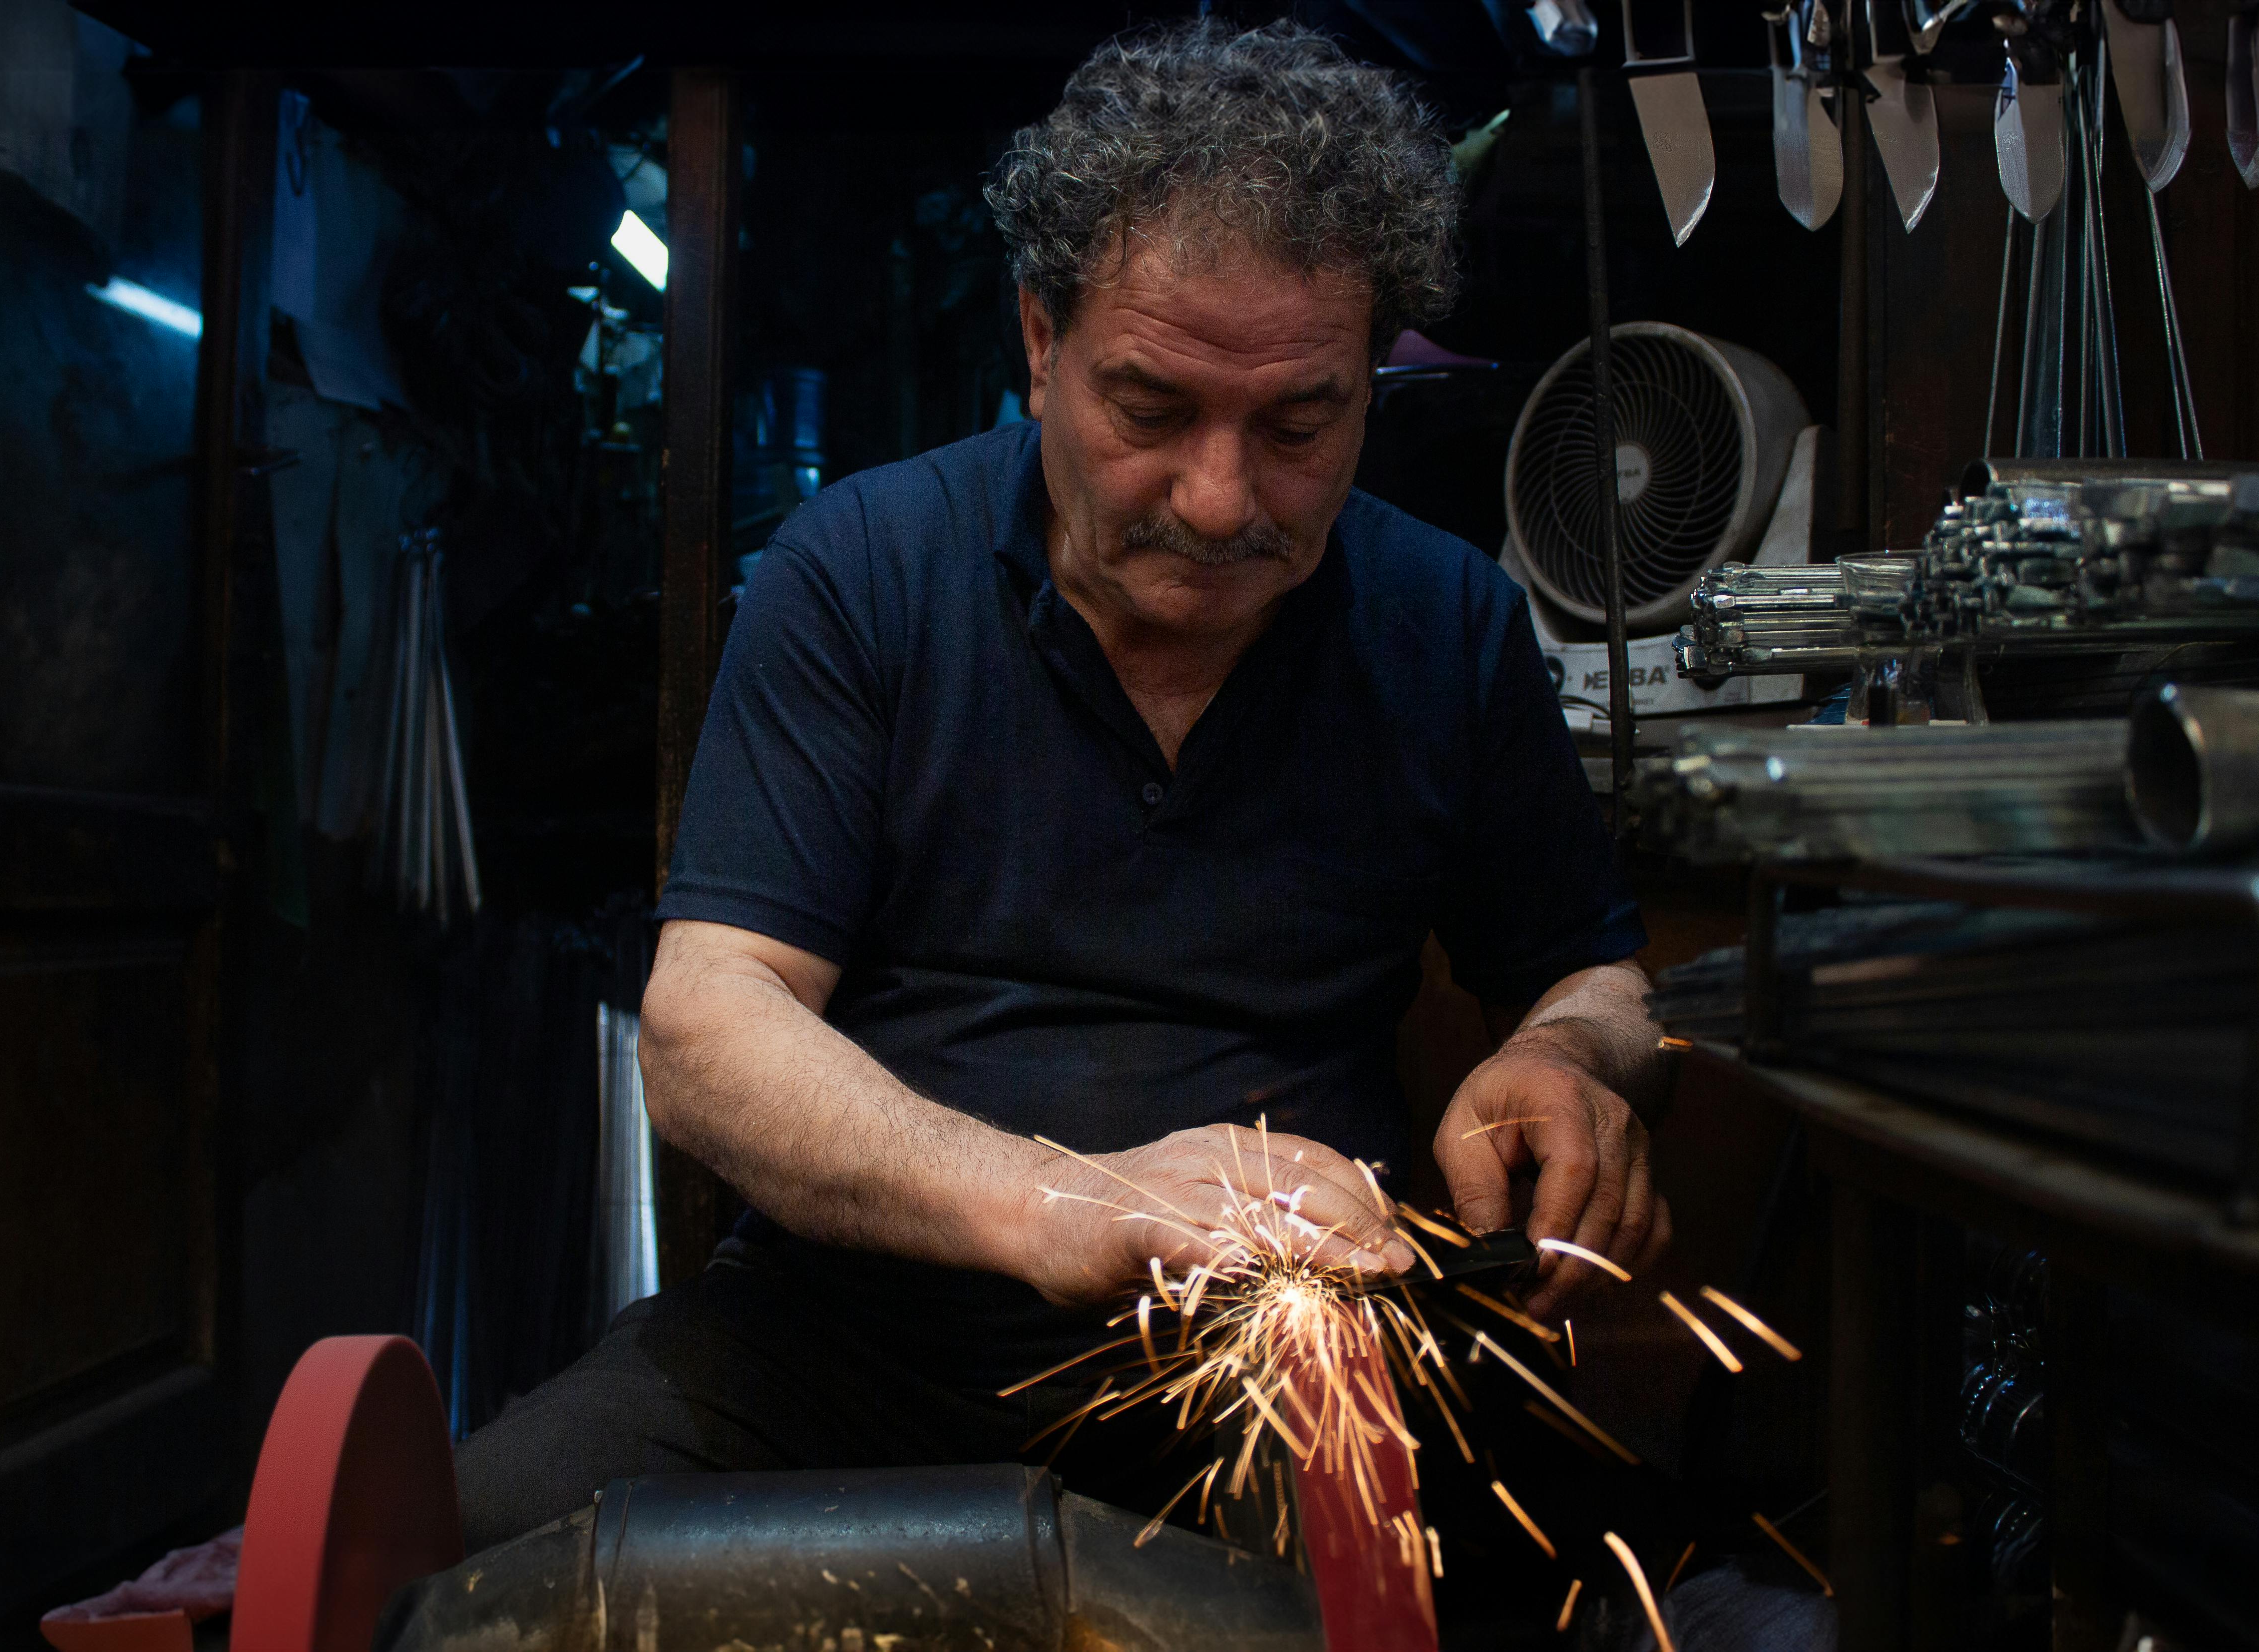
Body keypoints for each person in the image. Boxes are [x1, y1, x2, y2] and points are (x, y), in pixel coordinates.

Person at [455, 18, 1671, 1553]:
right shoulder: (862, 573)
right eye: (1151, 411)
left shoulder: (1450, 625)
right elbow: (708, 1030)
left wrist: (1570, 1056)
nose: (1222, 500)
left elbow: (1597, 975)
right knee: (492, 1538)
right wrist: (1066, 1205)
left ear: (1374, 382)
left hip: (1290, 1367)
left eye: (1301, 425)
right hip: (856, 1339)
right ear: (1040, 342)